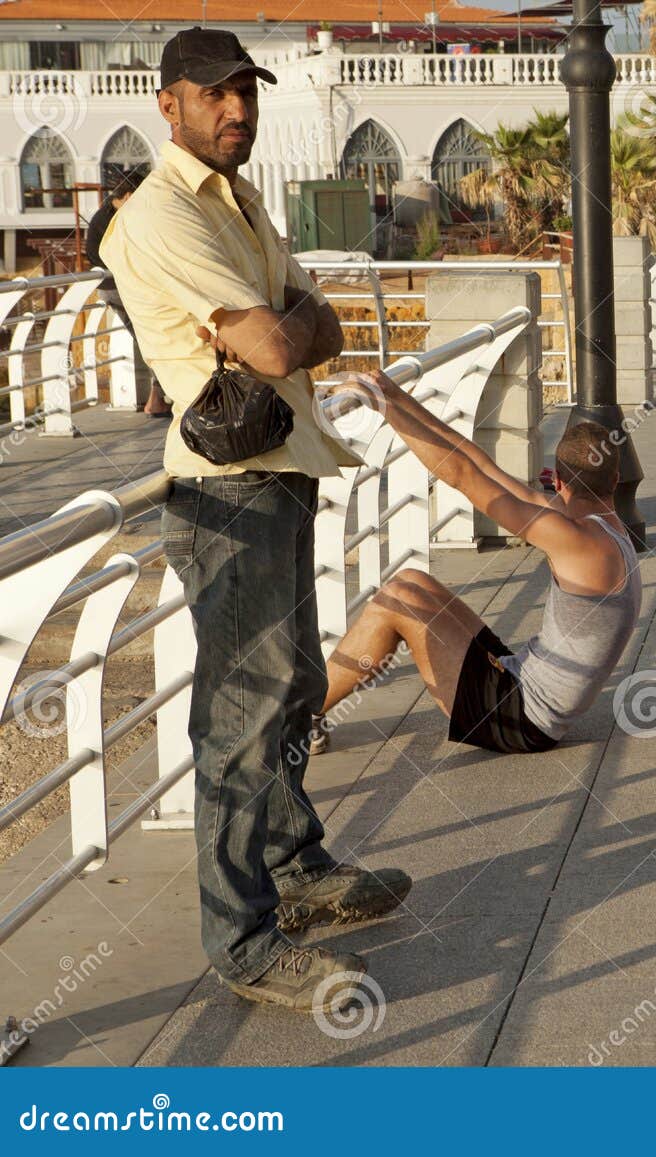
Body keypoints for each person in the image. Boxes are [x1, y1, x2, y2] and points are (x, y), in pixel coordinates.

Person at [98, 27, 411, 1014]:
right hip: (226, 490)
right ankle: (242, 938)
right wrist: (290, 324)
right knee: (241, 712)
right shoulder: (160, 214)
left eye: (247, 92)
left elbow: (321, 324)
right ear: (169, 105)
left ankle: (293, 862)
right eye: (215, 94)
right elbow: (281, 346)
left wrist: (292, 323)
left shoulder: (239, 201)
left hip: (284, 467)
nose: (237, 110)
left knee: (296, 682)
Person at [311, 377, 641, 766]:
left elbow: (463, 476)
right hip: (518, 680)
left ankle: (301, 717)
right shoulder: (605, 530)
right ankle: (311, 708)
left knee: (397, 603)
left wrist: (385, 408)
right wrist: (395, 398)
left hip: (520, 719)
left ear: (558, 481)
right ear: (615, 479)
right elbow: (477, 463)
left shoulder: (574, 540)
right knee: (411, 582)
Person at [84, 173, 169, 417]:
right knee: (151, 338)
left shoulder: (106, 215)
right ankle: (156, 399)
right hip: (120, 288)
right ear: (130, 195)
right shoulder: (114, 219)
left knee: (149, 337)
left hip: (115, 287)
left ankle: (157, 398)